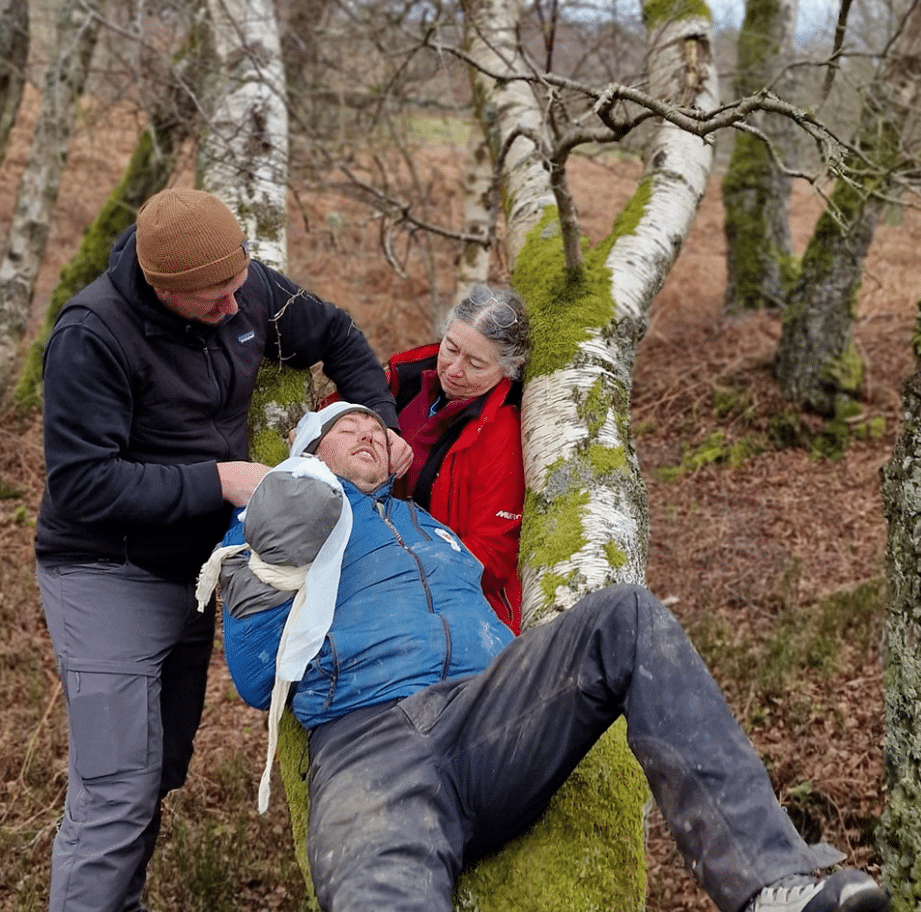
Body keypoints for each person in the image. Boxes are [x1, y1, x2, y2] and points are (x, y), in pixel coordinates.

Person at [205, 402, 889, 912]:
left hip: (489, 712)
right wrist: (282, 523)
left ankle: (771, 885)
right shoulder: (274, 527)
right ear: (308, 452)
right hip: (369, 747)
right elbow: (257, 677)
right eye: (344, 427)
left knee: (624, 614)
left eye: (377, 429)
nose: (367, 433)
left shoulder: (430, 526)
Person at [34, 187, 412, 912]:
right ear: (162, 286)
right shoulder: (92, 336)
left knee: (160, 768)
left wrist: (383, 421)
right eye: (215, 297)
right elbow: (82, 484)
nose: (236, 307)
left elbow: (336, 334)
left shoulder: (245, 288)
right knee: (116, 786)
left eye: (239, 285)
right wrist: (219, 480)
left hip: (194, 573)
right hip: (105, 569)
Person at [386, 285, 529, 632]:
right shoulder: (411, 376)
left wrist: (398, 565)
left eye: (475, 364)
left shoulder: (502, 435)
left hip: (445, 602)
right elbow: (344, 407)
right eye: (450, 348)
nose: (453, 369)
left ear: (509, 368)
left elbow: (492, 556)